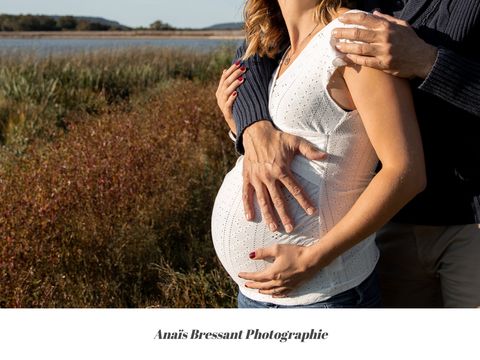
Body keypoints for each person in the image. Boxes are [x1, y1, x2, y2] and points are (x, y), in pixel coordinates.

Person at [217, 0, 480, 307]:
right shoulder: (344, 17)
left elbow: (404, 168)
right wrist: (252, 126)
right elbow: (253, 52)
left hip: (470, 220)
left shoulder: (355, 28)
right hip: (391, 221)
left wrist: (428, 61)